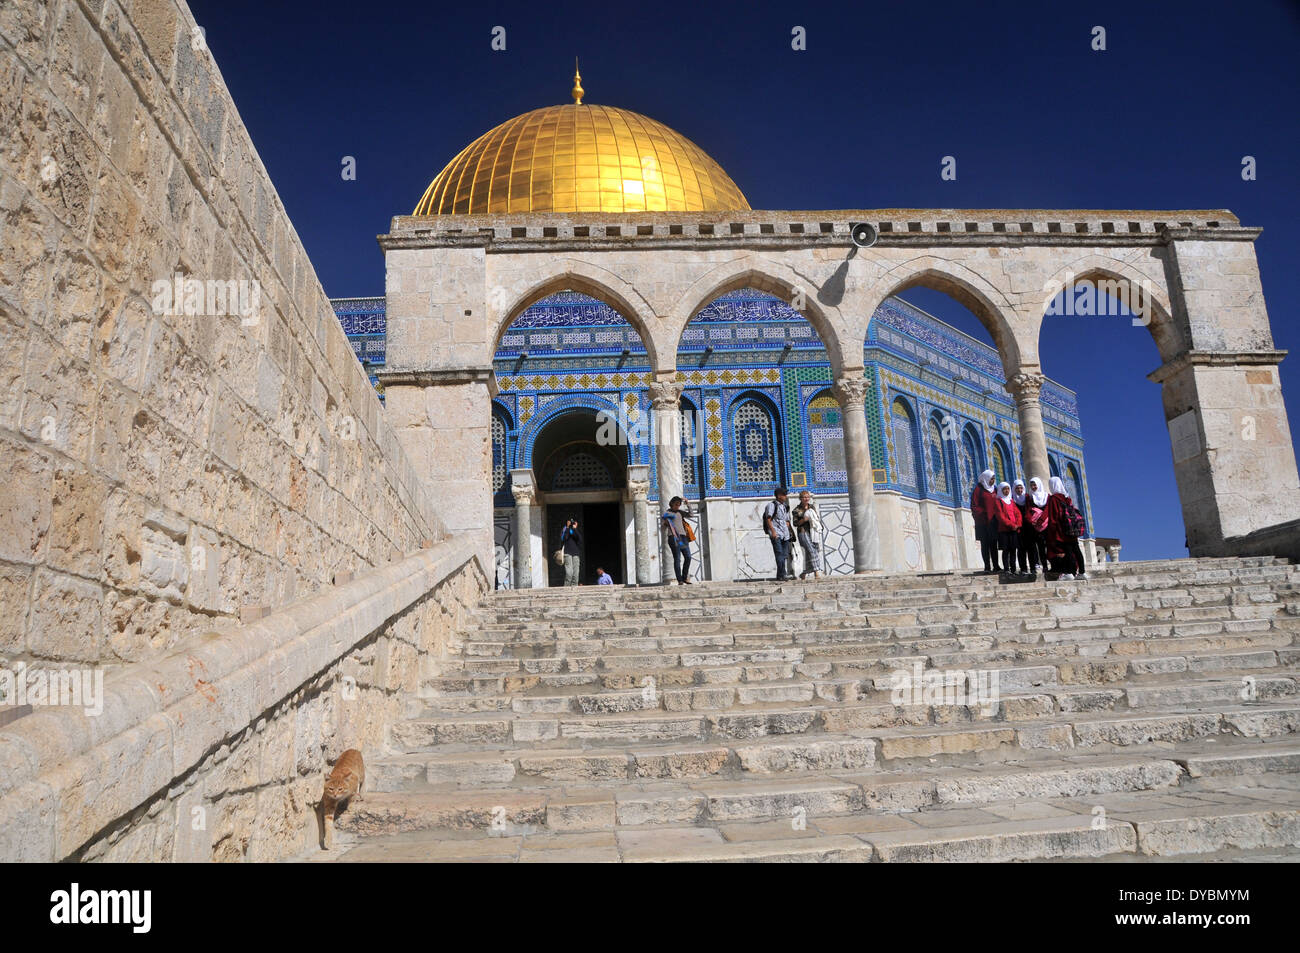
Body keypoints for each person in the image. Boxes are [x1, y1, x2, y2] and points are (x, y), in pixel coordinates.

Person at [1046, 475, 1088, 580]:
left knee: (1068, 551)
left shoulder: (1053, 499)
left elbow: (1053, 518)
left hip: (1062, 531)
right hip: (1072, 529)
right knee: (1076, 550)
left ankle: (1069, 573)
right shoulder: (1067, 497)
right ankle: (1082, 572)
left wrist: (1052, 533)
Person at [969, 469, 1000, 573]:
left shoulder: (995, 489)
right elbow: (974, 506)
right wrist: (983, 515)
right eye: (991, 479)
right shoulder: (979, 489)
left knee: (993, 545)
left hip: (993, 522)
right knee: (985, 545)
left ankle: (996, 566)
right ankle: (987, 566)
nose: (993, 481)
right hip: (983, 523)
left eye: (994, 479)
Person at [763, 487, 795, 582]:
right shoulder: (772, 505)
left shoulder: (784, 506)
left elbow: (787, 520)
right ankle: (783, 574)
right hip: (776, 533)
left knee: (784, 555)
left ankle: (780, 575)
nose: (785, 497)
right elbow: (768, 519)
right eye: (784, 495)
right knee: (779, 554)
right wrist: (773, 532)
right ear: (779, 496)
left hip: (785, 534)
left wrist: (788, 531)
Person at [1021, 477, 1050, 578]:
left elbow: (1047, 509)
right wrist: (1031, 521)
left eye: (1035, 485)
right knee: (1032, 547)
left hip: (1044, 526)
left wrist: (1041, 520)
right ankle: (1033, 567)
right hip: (1033, 526)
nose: (1033, 487)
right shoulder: (1029, 497)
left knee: (1043, 547)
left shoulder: (1046, 496)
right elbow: (1028, 510)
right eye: (1031, 485)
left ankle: (1045, 566)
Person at [661, 496, 693, 584]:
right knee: (677, 558)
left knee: (688, 557)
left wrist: (687, 503)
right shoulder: (668, 513)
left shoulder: (680, 512)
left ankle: (684, 577)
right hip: (674, 537)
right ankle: (680, 580)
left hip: (683, 537)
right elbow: (663, 524)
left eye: (679, 505)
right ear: (672, 504)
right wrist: (666, 523)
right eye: (676, 504)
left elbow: (691, 515)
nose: (677, 506)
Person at [792, 490, 823, 580]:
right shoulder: (796, 510)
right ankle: (817, 572)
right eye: (804, 497)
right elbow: (795, 523)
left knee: (813, 551)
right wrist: (804, 520)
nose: (806, 499)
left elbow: (816, 517)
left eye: (808, 497)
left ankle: (804, 573)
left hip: (813, 532)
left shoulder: (812, 507)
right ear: (800, 498)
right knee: (812, 550)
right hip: (803, 532)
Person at [994, 481, 1023, 576]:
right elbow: (1000, 516)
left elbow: (1018, 513)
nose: (1006, 491)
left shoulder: (1011, 501)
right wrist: (1011, 525)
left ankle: (1013, 568)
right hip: (1004, 530)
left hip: (1014, 530)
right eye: (1004, 489)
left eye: (1008, 489)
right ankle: (1006, 568)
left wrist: (1018, 524)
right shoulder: (999, 501)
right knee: (1006, 550)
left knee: (1013, 550)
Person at [560, 518, 582, 586]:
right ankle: (566, 589)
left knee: (576, 574)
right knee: (569, 573)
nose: (571, 523)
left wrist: (575, 528)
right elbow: (564, 538)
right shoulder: (565, 529)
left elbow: (579, 539)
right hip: (567, 553)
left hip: (576, 554)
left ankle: (574, 590)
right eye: (570, 522)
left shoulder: (575, 530)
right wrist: (567, 527)